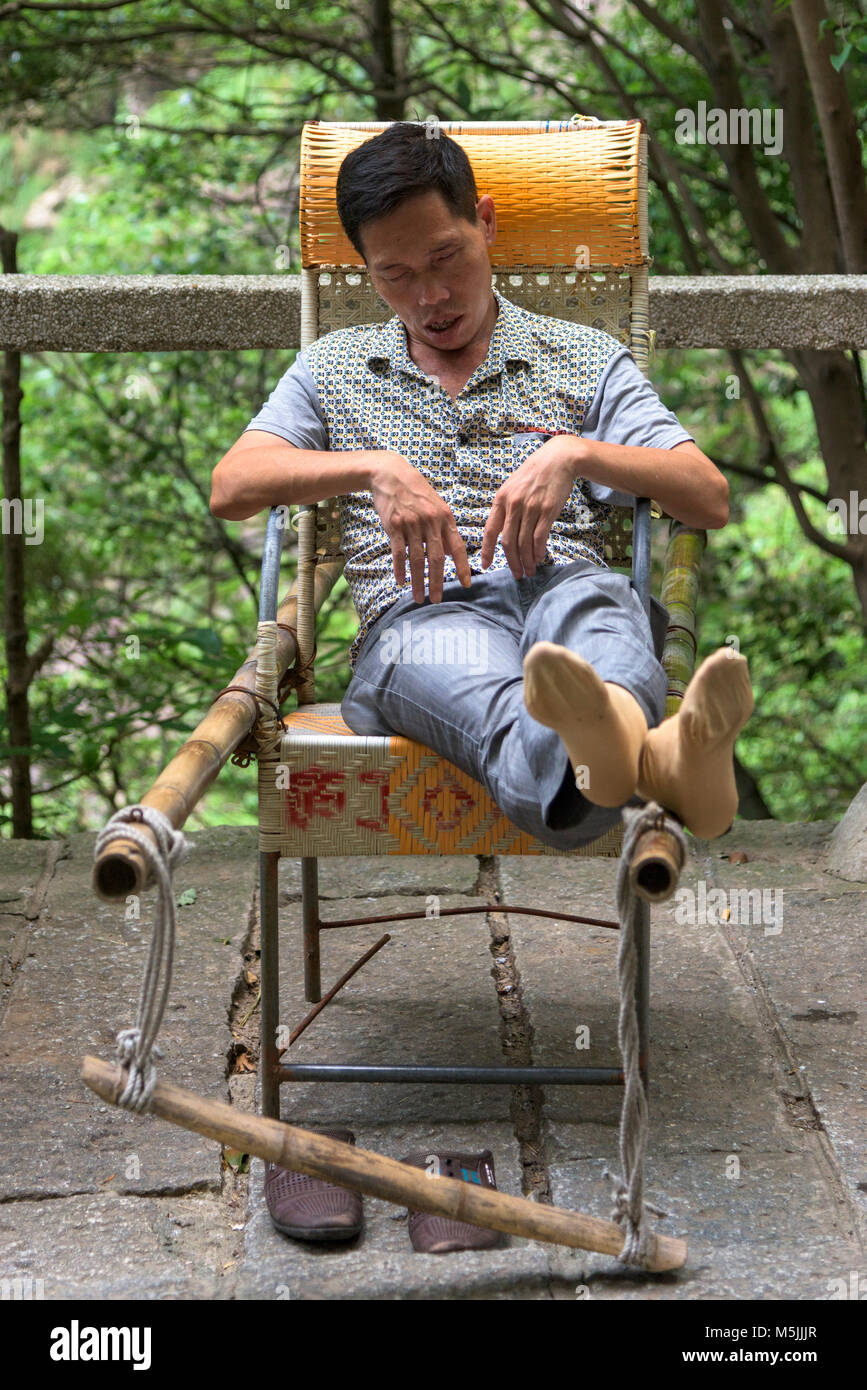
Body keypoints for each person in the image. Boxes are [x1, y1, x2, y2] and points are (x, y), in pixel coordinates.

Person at [210, 121, 754, 1252]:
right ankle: (661, 764)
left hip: (562, 595)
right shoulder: (336, 368)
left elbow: (706, 494)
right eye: (393, 274)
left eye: (446, 256)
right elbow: (235, 483)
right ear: (365, 272)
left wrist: (580, 455)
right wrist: (368, 465)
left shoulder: (578, 359)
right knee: (499, 682)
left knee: (603, 615)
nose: (429, 295)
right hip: (425, 623)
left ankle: (629, 742)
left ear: (487, 225)